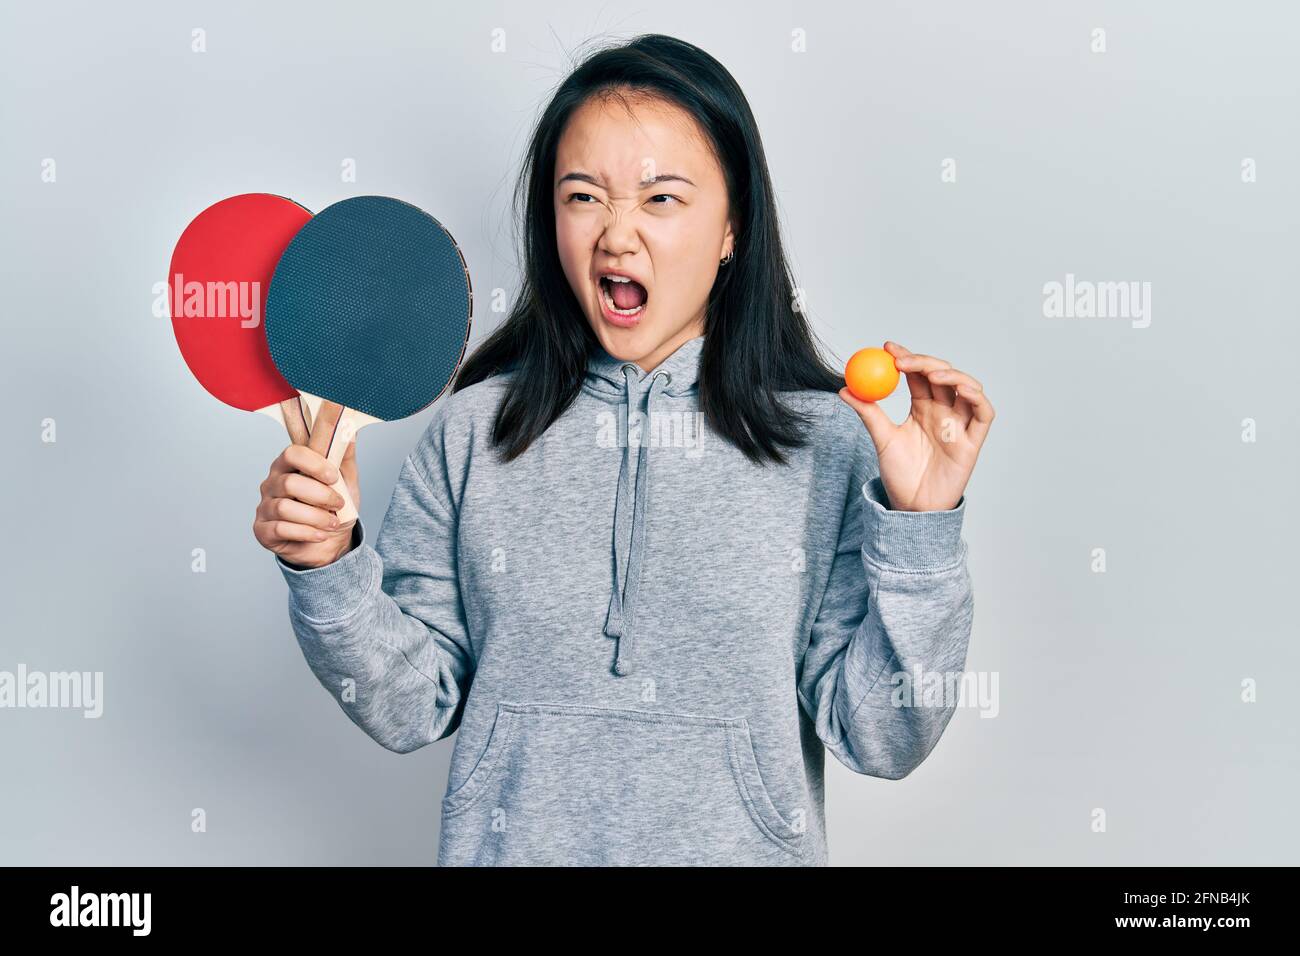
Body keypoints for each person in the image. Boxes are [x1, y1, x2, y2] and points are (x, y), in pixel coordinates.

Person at [253, 34, 994, 866]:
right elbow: (407, 706)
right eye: (583, 196)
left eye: (661, 198)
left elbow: (881, 737)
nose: (615, 235)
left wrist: (922, 535)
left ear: (733, 227)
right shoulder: (472, 431)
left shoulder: (828, 444)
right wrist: (328, 567)